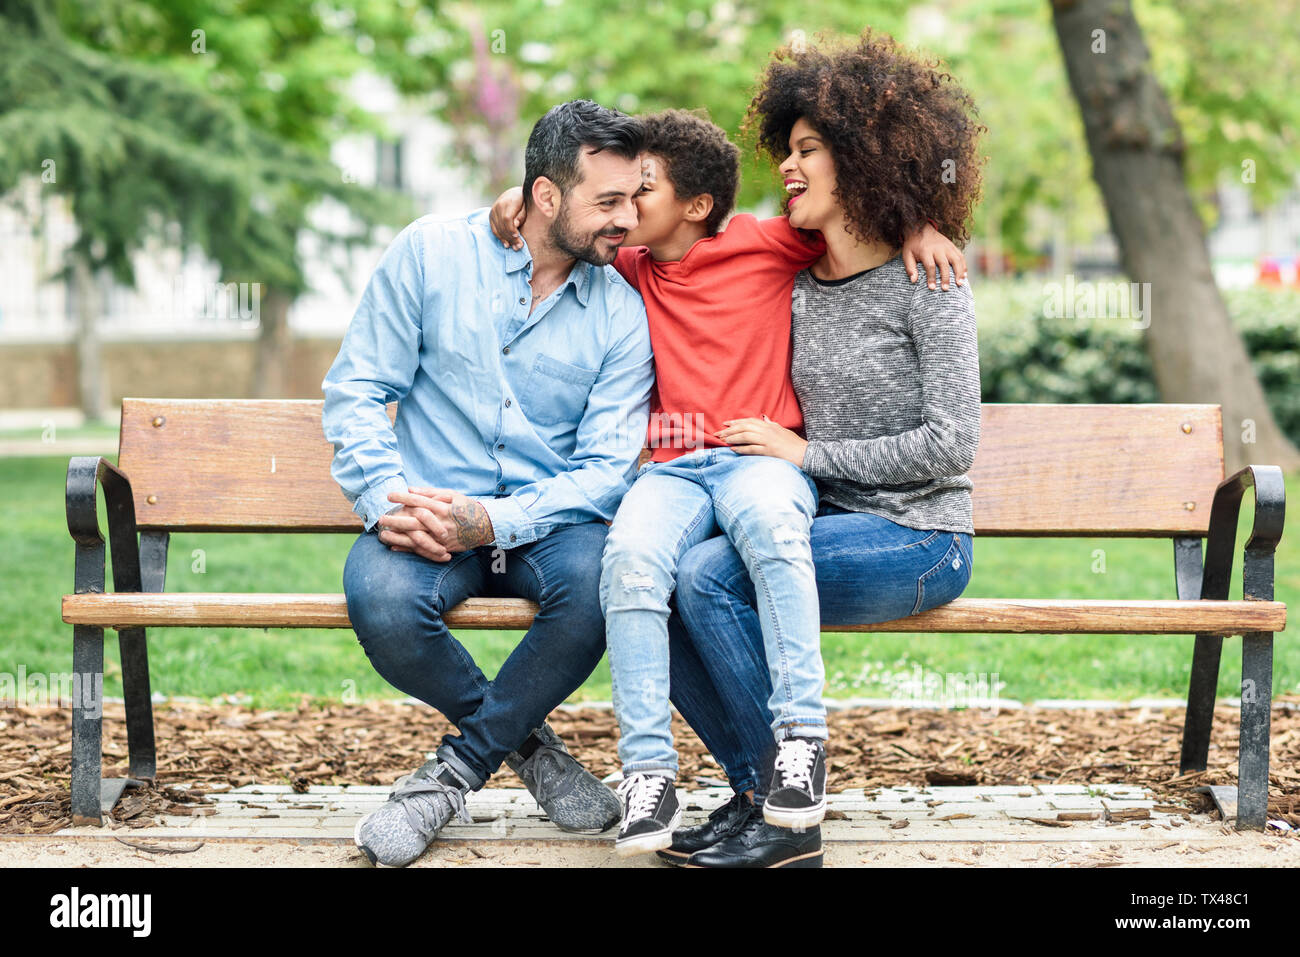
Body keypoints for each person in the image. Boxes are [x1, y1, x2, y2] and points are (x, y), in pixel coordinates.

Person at [488, 108, 966, 856]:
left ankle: (795, 753)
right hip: (688, 472)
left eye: (641, 189)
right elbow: (570, 223)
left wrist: (919, 223)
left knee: (736, 559)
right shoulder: (631, 265)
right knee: (640, 565)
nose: (624, 204)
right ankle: (669, 774)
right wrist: (518, 201)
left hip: (846, 497)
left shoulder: (772, 245)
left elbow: (864, 217)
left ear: (697, 205)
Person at [661, 29, 985, 868]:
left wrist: (806, 455)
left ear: (869, 158)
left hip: (920, 539)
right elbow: (674, 259)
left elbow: (952, 445)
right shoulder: (795, 277)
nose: (788, 168)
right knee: (654, 581)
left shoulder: (931, 282)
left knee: (707, 578)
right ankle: (761, 797)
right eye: (787, 150)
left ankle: (782, 809)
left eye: (810, 150)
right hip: (814, 529)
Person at [322, 99, 655, 867]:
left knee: (604, 581)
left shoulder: (620, 313)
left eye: (634, 198)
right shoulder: (431, 253)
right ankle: (529, 746)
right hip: (428, 508)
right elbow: (358, 389)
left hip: (548, 524)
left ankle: (453, 773)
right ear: (545, 196)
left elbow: (606, 473)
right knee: (382, 597)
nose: (627, 219)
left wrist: (493, 520)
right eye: (607, 201)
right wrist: (384, 498)